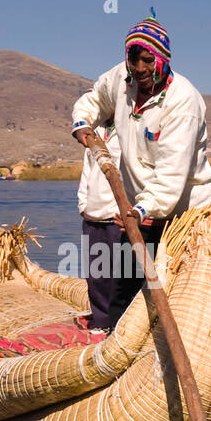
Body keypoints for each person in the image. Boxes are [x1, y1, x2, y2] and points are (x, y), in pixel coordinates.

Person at [71, 13, 211, 327]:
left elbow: (171, 175)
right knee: (125, 292)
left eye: (148, 61)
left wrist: (141, 209)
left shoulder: (183, 102)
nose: (140, 69)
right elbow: (95, 99)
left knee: (175, 290)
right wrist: (83, 123)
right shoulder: (121, 79)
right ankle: (118, 354)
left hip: (180, 212)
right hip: (141, 208)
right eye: (134, 60)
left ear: (163, 57)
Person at [76, 118, 121, 331]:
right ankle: (102, 321)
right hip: (92, 214)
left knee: (121, 273)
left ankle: (119, 323)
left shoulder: (127, 131)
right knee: (96, 274)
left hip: (116, 214)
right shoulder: (94, 134)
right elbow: (87, 172)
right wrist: (83, 204)